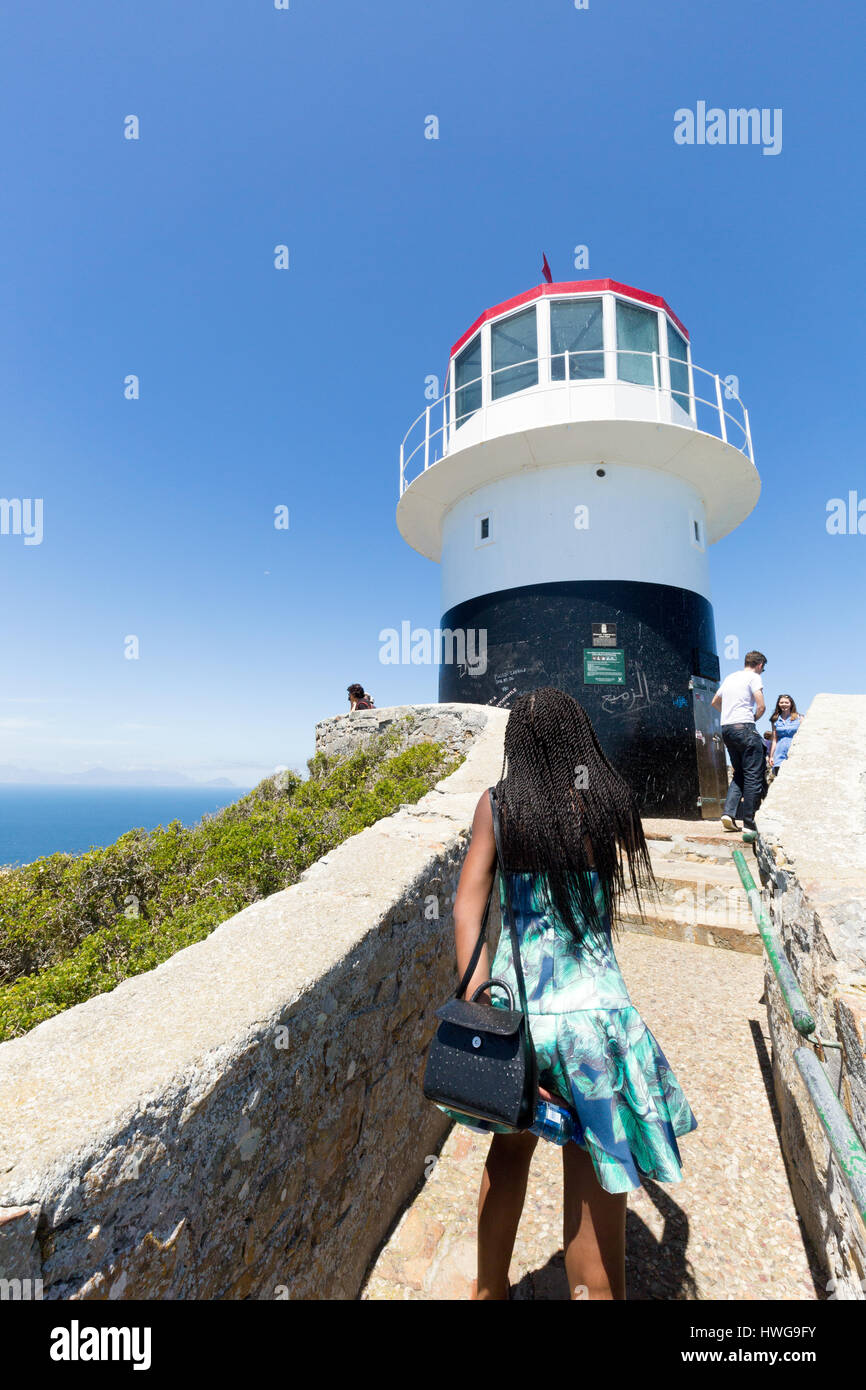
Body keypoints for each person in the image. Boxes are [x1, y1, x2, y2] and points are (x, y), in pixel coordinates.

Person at [450, 687, 698, 1301]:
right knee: (593, 1171)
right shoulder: (607, 804)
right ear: (579, 742)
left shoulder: (497, 807)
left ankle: (489, 1291)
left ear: (516, 747)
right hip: (592, 1019)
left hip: (522, 1016)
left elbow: (466, 909)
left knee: (507, 1161)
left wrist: (482, 1001)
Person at [711, 651, 767, 836]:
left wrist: (729, 715)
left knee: (740, 773)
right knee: (753, 775)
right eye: (763, 669)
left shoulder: (730, 678)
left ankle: (728, 814)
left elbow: (714, 702)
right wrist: (751, 719)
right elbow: (761, 706)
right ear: (759, 665)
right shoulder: (753, 677)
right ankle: (749, 823)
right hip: (745, 728)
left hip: (727, 729)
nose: (762, 671)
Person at [768, 694, 803, 774]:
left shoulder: (800, 718)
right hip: (779, 752)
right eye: (781, 702)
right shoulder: (775, 719)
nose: (784, 704)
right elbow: (774, 740)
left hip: (795, 751)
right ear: (778, 704)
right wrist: (771, 756)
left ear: (791, 704)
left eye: (786, 703)